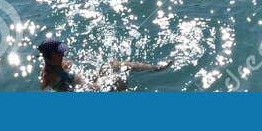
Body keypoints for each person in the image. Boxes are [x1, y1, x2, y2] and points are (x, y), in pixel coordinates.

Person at [36, 37, 171, 92]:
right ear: (51, 56)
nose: (63, 54)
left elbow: (69, 67)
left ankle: (156, 68)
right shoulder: (50, 75)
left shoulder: (58, 62)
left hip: (87, 79)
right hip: (89, 89)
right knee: (118, 80)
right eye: (59, 53)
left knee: (114, 64)